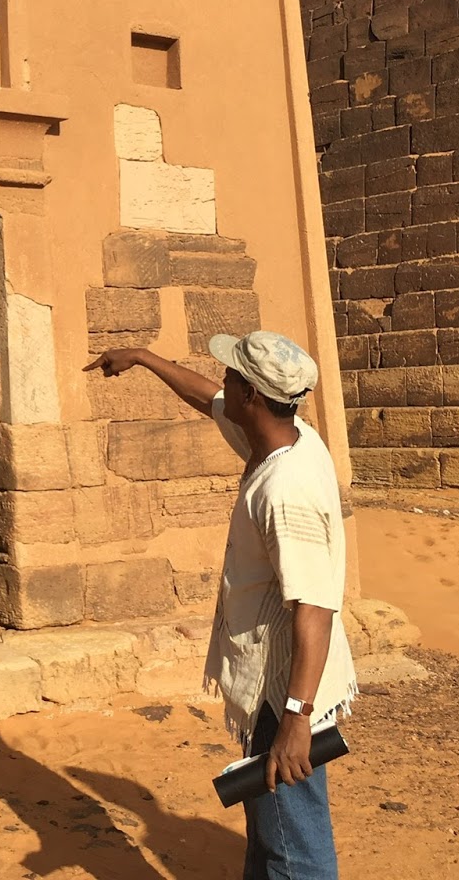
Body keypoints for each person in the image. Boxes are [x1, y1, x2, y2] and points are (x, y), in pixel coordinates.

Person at [85, 330, 356, 880]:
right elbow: (204, 394)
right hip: (273, 689)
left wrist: (296, 720)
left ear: (252, 395)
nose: (222, 382)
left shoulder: (287, 489)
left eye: (232, 375)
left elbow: (314, 609)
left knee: (296, 849)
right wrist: (142, 358)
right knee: (270, 835)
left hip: (285, 691)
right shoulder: (288, 433)